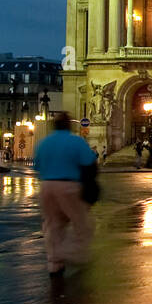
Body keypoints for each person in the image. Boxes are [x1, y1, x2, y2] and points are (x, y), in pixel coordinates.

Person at [32, 113, 98, 277]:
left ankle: (54, 265)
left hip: (46, 186)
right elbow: (90, 163)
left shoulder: (44, 142)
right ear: (69, 125)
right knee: (82, 223)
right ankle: (67, 253)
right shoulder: (75, 141)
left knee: (53, 225)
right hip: (69, 186)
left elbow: (37, 167)